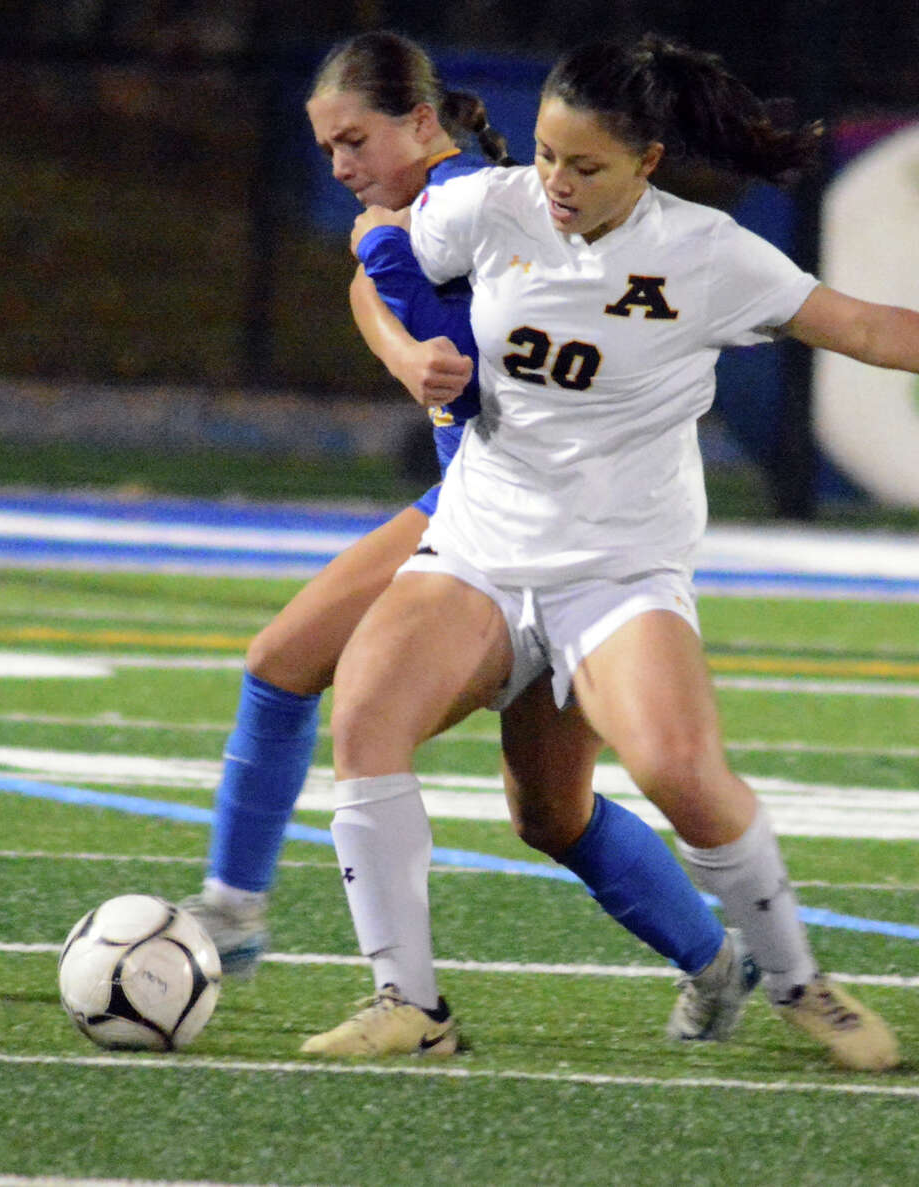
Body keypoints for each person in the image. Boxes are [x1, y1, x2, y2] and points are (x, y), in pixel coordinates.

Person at [304, 33, 919, 1070]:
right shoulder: (488, 204)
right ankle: (411, 1004)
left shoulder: (707, 255)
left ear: (647, 162)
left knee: (679, 769)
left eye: (586, 165)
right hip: (479, 546)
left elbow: (863, 328)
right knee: (367, 716)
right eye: (549, 155)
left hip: (616, 568)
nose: (556, 182)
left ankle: (798, 980)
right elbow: (376, 260)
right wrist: (403, 352)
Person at [184, 31, 759, 1052]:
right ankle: (242, 917)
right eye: (324, 149)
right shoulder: (405, 216)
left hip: (558, 537)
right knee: (522, 796)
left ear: (420, 122)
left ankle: (717, 961)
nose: (340, 166)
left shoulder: (499, 208)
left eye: (352, 139)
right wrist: (409, 357)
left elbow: (469, 295)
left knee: (544, 809)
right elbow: (374, 274)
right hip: (481, 519)